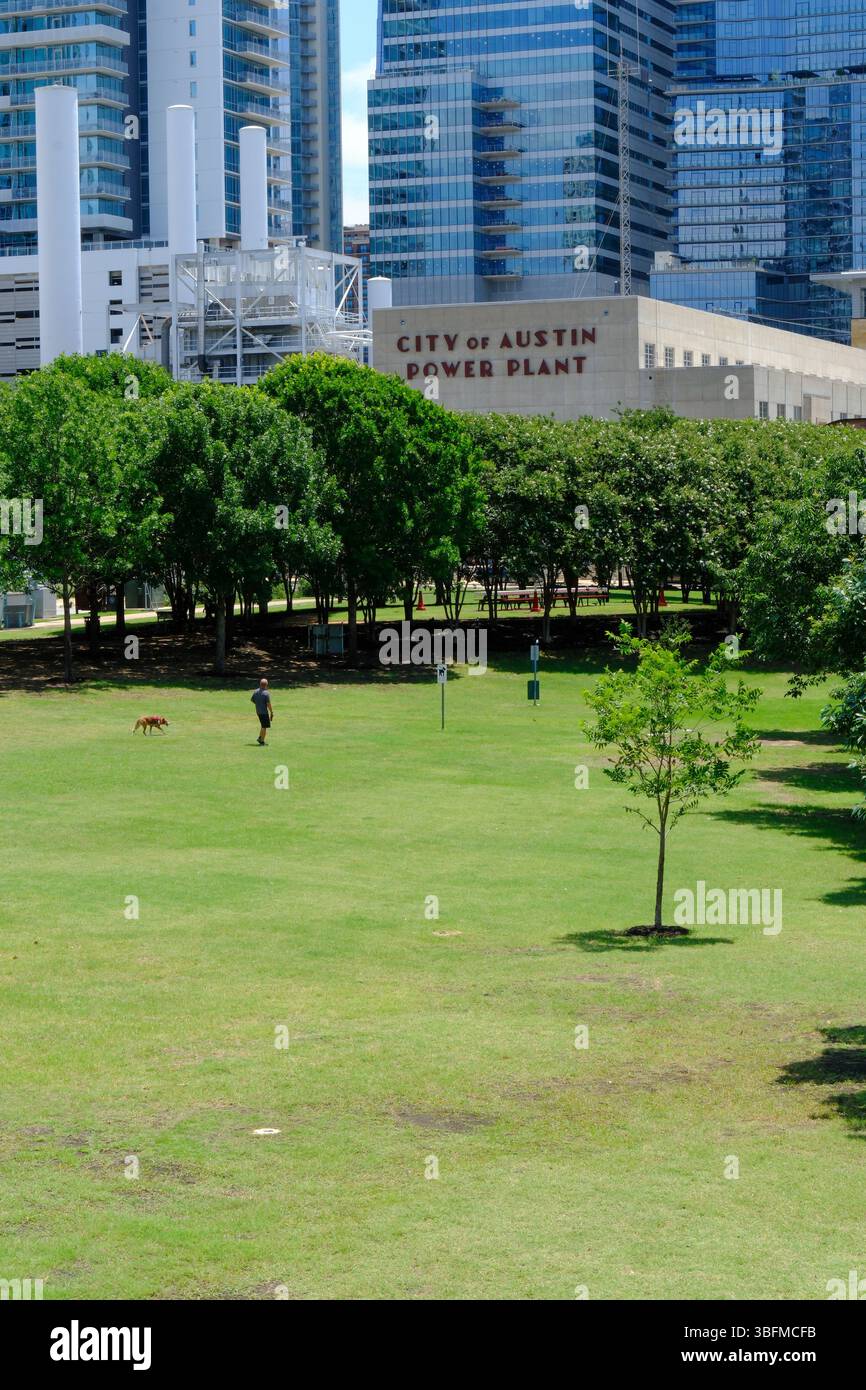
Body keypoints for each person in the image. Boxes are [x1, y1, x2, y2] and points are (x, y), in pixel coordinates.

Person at [251, 678, 273, 745]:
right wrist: (271, 712)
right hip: (264, 713)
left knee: (263, 725)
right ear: (266, 685)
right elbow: (268, 704)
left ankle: (260, 737)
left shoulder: (255, 691)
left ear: (260, 684)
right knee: (264, 726)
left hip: (258, 711)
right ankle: (262, 741)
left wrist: (258, 704)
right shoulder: (266, 693)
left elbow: (252, 700)